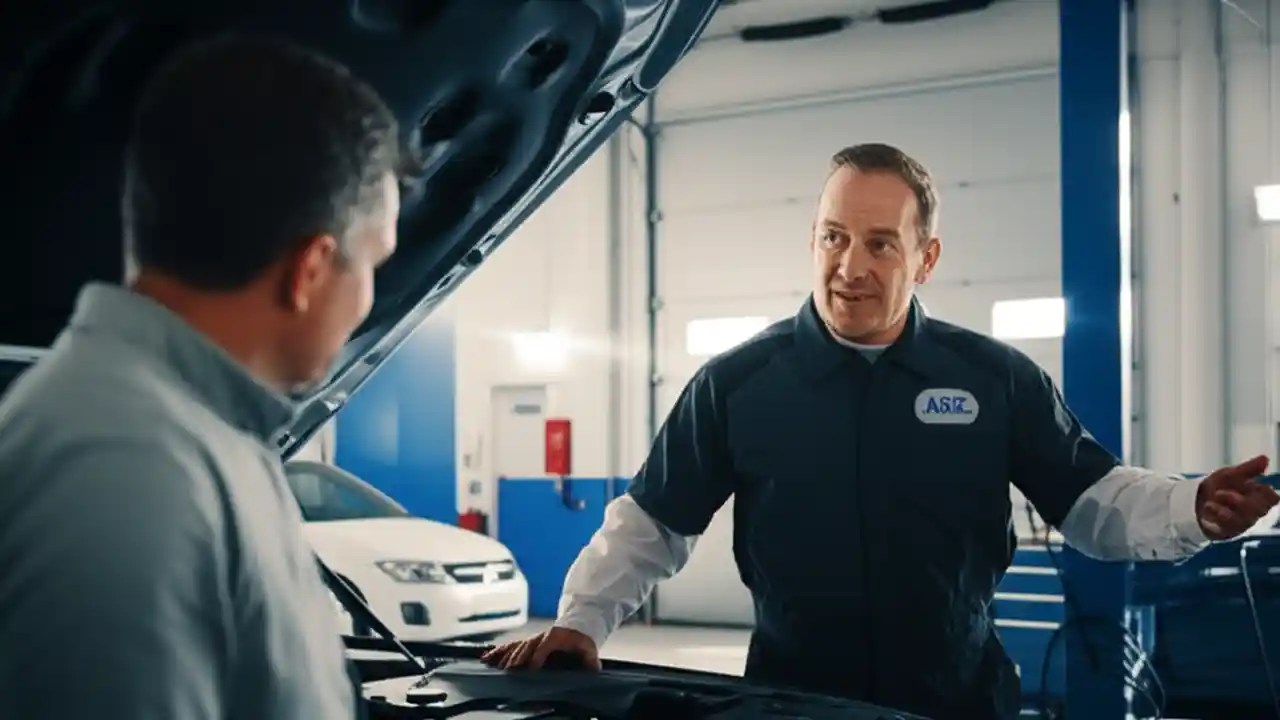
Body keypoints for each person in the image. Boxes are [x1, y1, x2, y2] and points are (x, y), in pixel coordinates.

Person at [482, 143, 1280, 719]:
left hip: (959, 704)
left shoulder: (994, 380)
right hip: (791, 706)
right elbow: (652, 523)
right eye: (833, 236)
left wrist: (1190, 508)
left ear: (925, 258)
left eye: (880, 244)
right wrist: (580, 622)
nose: (850, 266)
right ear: (812, 241)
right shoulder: (738, 385)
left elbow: (1092, 501)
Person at [0, 36, 400, 720]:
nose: (369, 297)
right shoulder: (124, 468)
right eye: (374, 263)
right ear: (309, 270)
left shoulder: (195, 432)